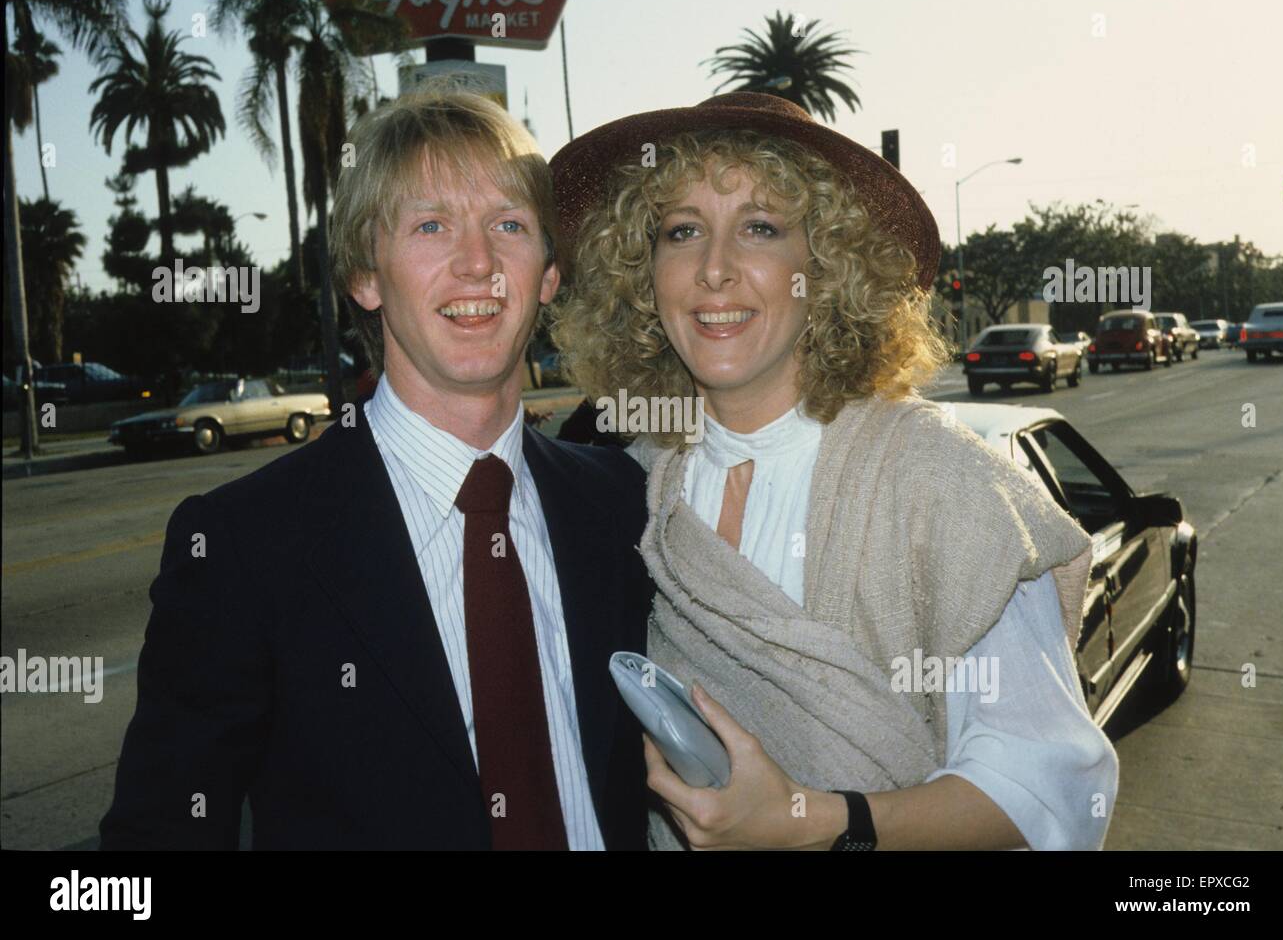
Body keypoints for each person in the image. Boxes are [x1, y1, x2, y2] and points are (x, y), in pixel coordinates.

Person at [549, 92, 1119, 850]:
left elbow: (1051, 791)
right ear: (644, 278)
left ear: (826, 268)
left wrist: (816, 823)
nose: (714, 269)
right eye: (681, 231)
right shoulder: (631, 485)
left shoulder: (940, 482)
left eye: (760, 227)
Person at [99, 87, 655, 850]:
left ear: (549, 276)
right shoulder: (242, 547)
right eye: (431, 225)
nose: (478, 262)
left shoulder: (624, 504)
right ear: (366, 275)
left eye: (510, 225)